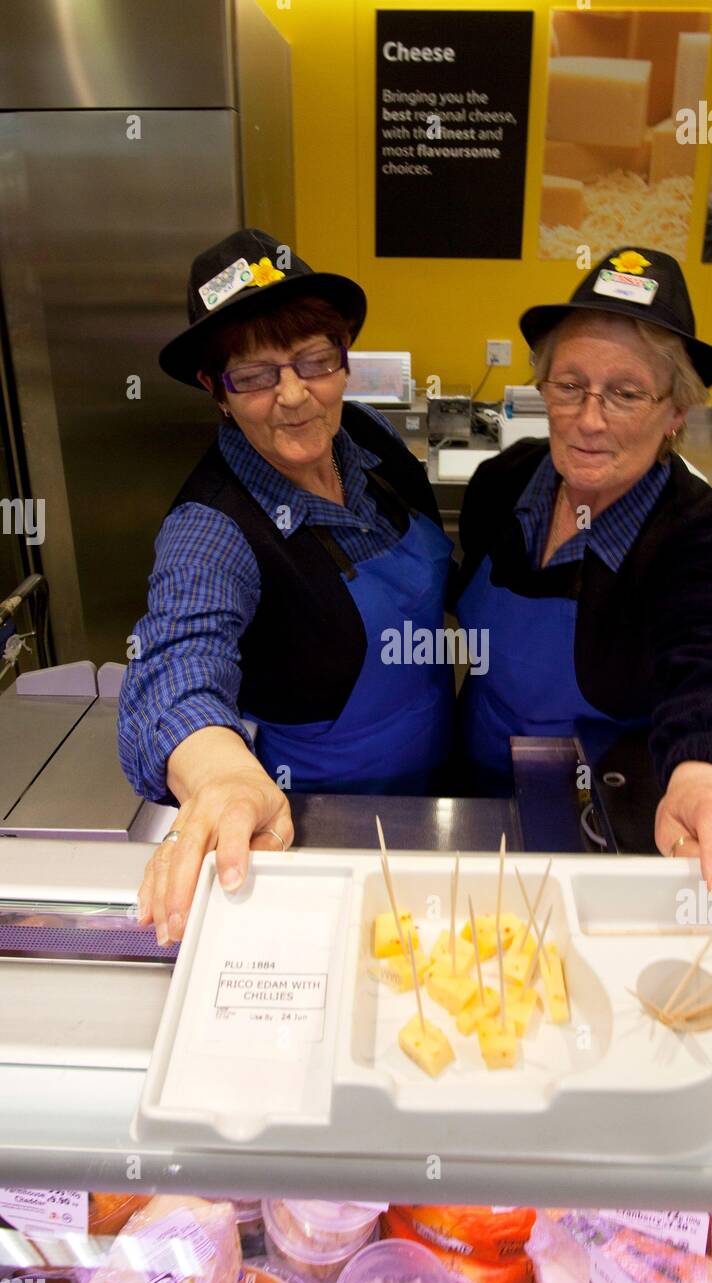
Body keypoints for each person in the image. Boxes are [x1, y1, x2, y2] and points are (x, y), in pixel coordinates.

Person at [454, 246, 712, 951]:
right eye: (568, 385)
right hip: (468, 789)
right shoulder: (504, 482)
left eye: (625, 393)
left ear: (674, 412)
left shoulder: (691, 534)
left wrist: (706, 771)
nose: (587, 420)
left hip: (599, 816)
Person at [119, 229, 453, 944]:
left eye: (314, 362)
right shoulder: (209, 529)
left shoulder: (366, 439)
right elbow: (176, 662)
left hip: (444, 787)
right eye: (256, 374)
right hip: (320, 824)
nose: (296, 397)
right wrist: (219, 778)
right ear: (215, 389)